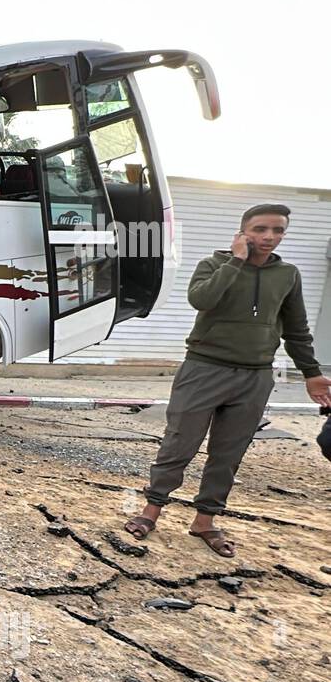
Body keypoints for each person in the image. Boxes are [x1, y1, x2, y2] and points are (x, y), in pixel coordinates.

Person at [123, 204, 331, 557]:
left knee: (228, 453)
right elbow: (201, 299)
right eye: (260, 229)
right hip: (204, 368)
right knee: (179, 444)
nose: (269, 237)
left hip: (255, 376)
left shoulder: (288, 274)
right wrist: (236, 261)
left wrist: (311, 374)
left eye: (278, 230)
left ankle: (205, 521)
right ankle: (151, 511)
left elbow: (297, 330)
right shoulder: (213, 265)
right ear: (242, 231)